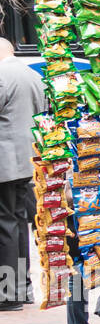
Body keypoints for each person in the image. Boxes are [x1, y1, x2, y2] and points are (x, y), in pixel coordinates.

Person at [0, 38, 46, 309]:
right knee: (18, 226)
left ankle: (9, 294)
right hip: (27, 162)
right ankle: (22, 289)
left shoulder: (3, 76)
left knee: (6, 227)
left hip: (5, 163)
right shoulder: (32, 74)